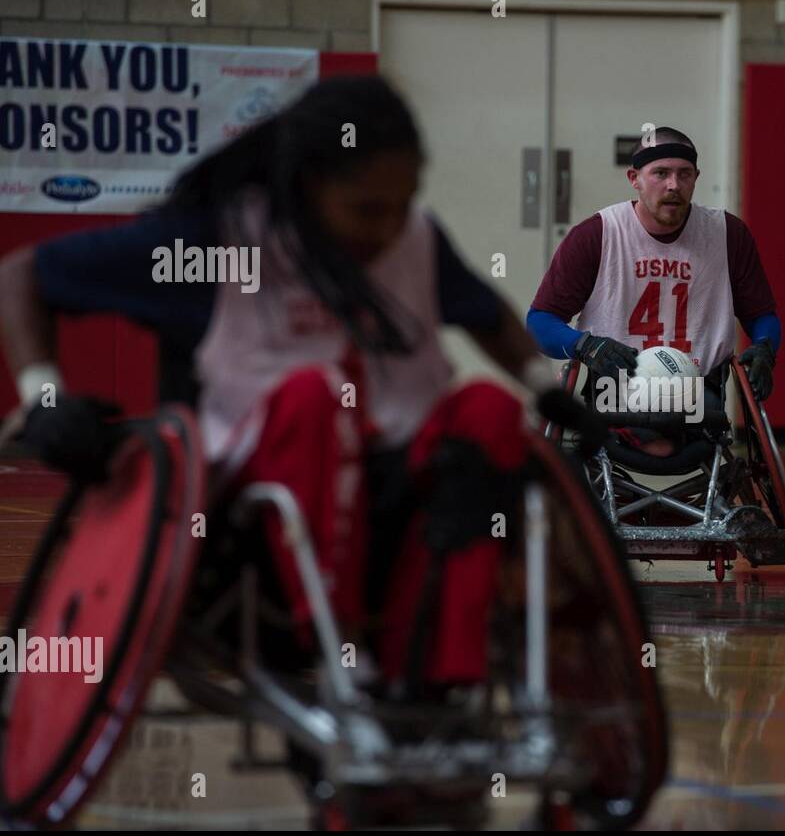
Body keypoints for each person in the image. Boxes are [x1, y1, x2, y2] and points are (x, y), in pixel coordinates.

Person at [0, 74, 593, 695]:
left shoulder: (414, 237)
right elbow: (23, 275)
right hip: (259, 491)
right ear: (308, 186)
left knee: (489, 406)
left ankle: (439, 667)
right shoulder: (220, 241)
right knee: (317, 394)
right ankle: (341, 652)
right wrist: (44, 396)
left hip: (396, 469)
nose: (388, 228)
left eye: (403, 204)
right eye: (367, 210)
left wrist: (543, 386)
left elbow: (488, 315)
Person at [526, 126, 781, 455]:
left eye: (684, 174)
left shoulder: (728, 234)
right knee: (647, 432)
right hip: (616, 388)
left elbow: (762, 315)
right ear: (634, 178)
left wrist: (764, 348)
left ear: (696, 178)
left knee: (678, 423)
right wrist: (585, 345)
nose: (674, 185)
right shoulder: (597, 234)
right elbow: (540, 321)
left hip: (695, 389)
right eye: (661, 173)